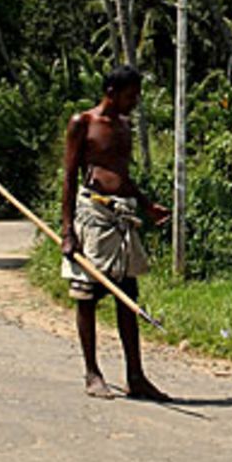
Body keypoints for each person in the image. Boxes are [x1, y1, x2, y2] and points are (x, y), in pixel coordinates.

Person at [60, 64, 171, 400]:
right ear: (111, 93)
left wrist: (147, 205)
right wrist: (67, 230)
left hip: (122, 215)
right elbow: (68, 176)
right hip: (93, 215)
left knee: (127, 296)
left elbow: (122, 174)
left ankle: (135, 376)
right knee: (87, 297)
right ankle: (92, 374)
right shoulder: (83, 123)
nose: (135, 102)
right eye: (130, 95)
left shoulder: (123, 127)